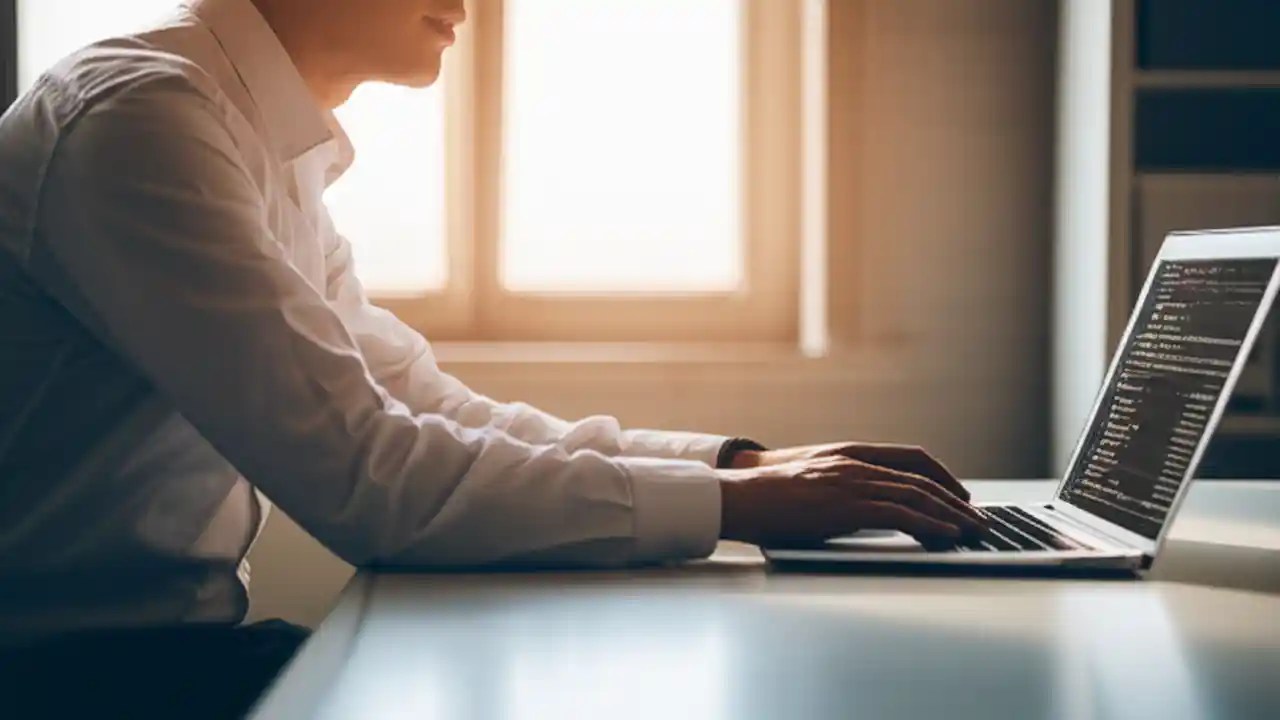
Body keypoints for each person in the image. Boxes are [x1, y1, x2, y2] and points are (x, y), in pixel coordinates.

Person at [0, 0, 988, 716]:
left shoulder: (247, 131)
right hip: (68, 677)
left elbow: (418, 405)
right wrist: (741, 508)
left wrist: (735, 464)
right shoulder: (140, 121)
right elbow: (371, 482)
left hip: (154, 659)